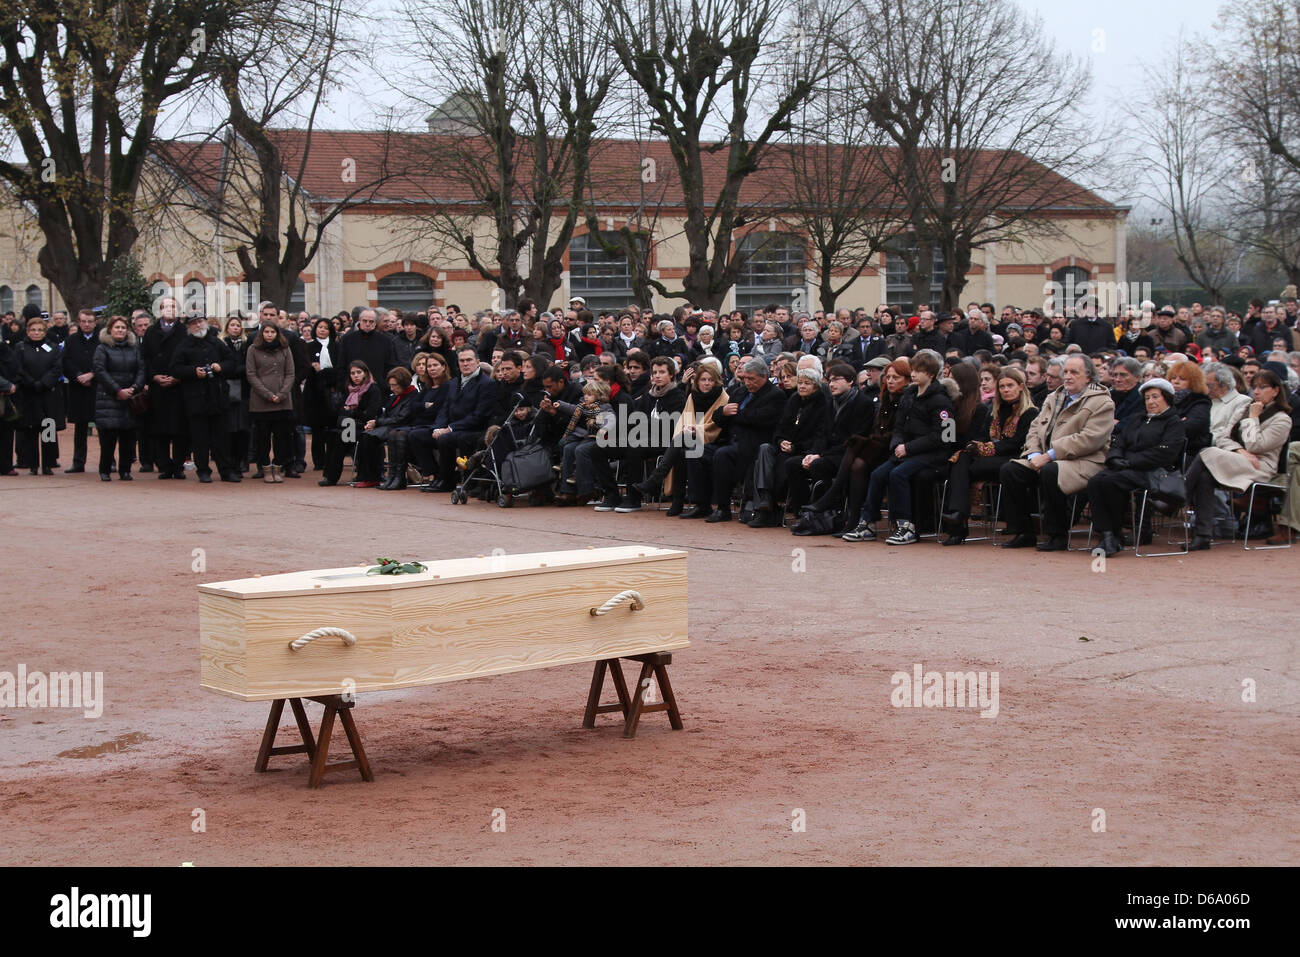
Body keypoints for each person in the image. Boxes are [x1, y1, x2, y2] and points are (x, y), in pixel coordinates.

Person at [999, 354, 1116, 551]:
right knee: (1010, 470)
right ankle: (1024, 531)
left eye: (1074, 372)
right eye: (1066, 372)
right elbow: (1035, 428)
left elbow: (1089, 439)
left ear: (1088, 376)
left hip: (1085, 461)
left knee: (1051, 472)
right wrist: (1034, 454)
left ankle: (1057, 535)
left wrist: (1050, 455)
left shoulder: (1102, 402)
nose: (1068, 376)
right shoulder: (1054, 397)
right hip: (1045, 457)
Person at [841, 349, 955, 544]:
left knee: (898, 474)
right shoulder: (908, 396)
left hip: (932, 455)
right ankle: (867, 522)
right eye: (914, 370)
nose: (914, 374)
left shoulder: (942, 401)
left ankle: (905, 525)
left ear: (930, 374)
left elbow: (946, 436)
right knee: (878, 474)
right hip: (907, 451)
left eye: (919, 371)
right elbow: (899, 427)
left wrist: (908, 448)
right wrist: (897, 444)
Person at [1186, 369, 1292, 550]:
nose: (1256, 392)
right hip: (1238, 459)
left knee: (1207, 451)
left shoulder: (1282, 419)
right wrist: (1240, 450)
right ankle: (1203, 536)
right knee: (1204, 477)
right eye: (1254, 387)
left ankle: (1180, 494)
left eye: (1262, 387)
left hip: (1261, 467)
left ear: (1275, 390)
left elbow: (1256, 446)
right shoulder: (1246, 408)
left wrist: (1253, 418)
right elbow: (1223, 438)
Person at [1086, 378, 1187, 557]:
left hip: (1153, 472)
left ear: (1167, 398)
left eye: (1155, 397)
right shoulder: (1137, 418)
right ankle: (1109, 535)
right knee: (1095, 481)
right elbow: (1118, 441)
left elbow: (1164, 453)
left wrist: (1131, 462)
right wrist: (1115, 458)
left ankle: (1112, 535)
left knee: (1111, 482)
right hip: (1126, 469)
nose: (1151, 402)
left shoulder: (1174, 422)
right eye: (1147, 398)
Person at [939, 366, 1038, 545]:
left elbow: (1016, 443)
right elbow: (982, 435)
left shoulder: (1030, 413)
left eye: (1010, 385)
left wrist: (985, 448)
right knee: (961, 457)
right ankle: (957, 519)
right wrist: (974, 445)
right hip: (991, 457)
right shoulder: (994, 410)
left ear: (1021, 387)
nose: (1006, 390)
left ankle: (958, 519)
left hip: (1015, 458)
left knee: (966, 464)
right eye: (1002, 387)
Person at [684, 356, 785, 522]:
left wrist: (734, 414)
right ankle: (701, 504)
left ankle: (723, 508)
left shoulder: (775, 395)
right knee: (695, 451)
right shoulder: (740, 391)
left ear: (764, 377)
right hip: (731, 440)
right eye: (745, 378)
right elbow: (718, 416)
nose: (747, 382)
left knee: (722, 456)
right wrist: (724, 412)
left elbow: (759, 418)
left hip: (754, 445)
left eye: (751, 379)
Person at [748, 366, 831, 527]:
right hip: (785, 447)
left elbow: (819, 435)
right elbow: (780, 427)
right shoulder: (794, 400)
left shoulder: (823, 404)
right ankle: (765, 500)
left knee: (784, 464)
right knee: (765, 448)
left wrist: (795, 447)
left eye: (807, 383)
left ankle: (770, 508)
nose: (802, 386)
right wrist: (780, 441)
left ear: (815, 386)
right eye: (800, 382)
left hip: (804, 450)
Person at [172, 313, 240, 483]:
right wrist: (193, 372)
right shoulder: (183, 346)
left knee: (222, 437)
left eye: (200, 322)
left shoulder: (216, 342)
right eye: (194, 323)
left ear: (206, 323)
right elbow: (175, 368)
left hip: (217, 396)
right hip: (195, 398)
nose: (198, 325)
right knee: (199, 438)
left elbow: (232, 362)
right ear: (188, 327)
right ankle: (203, 470)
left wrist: (220, 367)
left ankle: (226, 470)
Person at [425, 346, 499, 491]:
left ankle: (454, 481)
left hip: (475, 428)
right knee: (419, 435)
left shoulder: (486, 384)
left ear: (477, 362)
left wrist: (449, 429)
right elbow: (444, 409)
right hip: (454, 427)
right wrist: (437, 428)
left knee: (446, 439)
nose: (465, 364)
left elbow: (480, 415)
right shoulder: (453, 383)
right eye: (462, 361)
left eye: (469, 360)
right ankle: (437, 477)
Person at [91, 315, 145, 481]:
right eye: (117, 327)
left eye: (123, 327)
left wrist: (134, 388)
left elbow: (141, 370)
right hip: (108, 399)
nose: (120, 330)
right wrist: (117, 390)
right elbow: (100, 371)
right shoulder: (102, 348)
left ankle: (125, 470)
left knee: (128, 439)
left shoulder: (134, 348)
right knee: (108, 439)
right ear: (110, 330)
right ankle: (105, 470)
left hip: (130, 398)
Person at [141, 298, 189, 479]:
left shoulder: (185, 331)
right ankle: (164, 465)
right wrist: (153, 376)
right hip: (157, 387)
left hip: (178, 386)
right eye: (165, 307)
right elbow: (144, 358)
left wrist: (178, 376)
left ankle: (178, 466)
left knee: (179, 430)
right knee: (158, 429)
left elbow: (190, 357)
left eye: (172, 307)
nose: (168, 310)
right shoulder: (151, 332)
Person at [13, 314, 65, 474]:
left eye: (40, 330)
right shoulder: (20, 347)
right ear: (28, 331)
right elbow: (18, 368)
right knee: (30, 432)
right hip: (28, 395)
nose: (36, 333)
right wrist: (31, 383)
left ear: (45, 331)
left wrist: (44, 383)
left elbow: (57, 368)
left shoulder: (53, 347)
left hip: (47, 395)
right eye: (33, 330)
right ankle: (33, 465)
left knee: (48, 431)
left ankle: (48, 464)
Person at [246, 322, 297, 483]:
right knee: (262, 437)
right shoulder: (253, 350)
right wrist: (267, 394)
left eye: (272, 332)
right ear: (262, 334)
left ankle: (278, 466)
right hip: (261, 401)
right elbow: (251, 374)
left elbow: (290, 373)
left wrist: (282, 394)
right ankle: (265, 467)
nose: (269, 334)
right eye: (266, 332)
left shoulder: (285, 348)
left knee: (282, 437)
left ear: (277, 333)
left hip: (282, 400)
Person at [353, 366, 419, 488]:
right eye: (391, 385)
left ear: (403, 383)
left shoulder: (412, 396)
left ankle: (378, 476)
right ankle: (370, 476)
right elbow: (386, 413)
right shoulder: (395, 396)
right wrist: (375, 422)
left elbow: (401, 418)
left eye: (395, 385)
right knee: (365, 435)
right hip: (390, 425)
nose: (392, 388)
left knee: (370, 437)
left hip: (401, 426)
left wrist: (377, 422)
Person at [319, 361, 382, 486]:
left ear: (365, 373)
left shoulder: (373, 389)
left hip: (366, 426)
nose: (356, 376)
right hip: (349, 424)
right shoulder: (348, 389)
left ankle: (332, 477)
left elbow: (369, 414)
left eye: (359, 372)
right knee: (333, 435)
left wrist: (352, 412)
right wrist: (351, 413)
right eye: (352, 373)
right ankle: (328, 475)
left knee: (340, 438)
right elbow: (340, 410)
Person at [61, 309, 100, 472]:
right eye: (83, 321)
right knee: (80, 428)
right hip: (78, 388)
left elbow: (106, 361)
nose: (86, 324)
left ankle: (108, 460)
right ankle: (78, 462)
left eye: (90, 321)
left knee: (104, 427)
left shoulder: (102, 340)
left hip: (98, 387)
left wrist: (92, 374)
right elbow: (66, 361)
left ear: (95, 322)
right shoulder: (71, 340)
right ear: (78, 322)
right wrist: (78, 375)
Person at [304, 317, 340, 471]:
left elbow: (338, 369)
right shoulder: (309, 347)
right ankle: (319, 462)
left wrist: (322, 372)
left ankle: (333, 459)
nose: (322, 330)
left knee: (333, 429)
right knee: (317, 430)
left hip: (333, 392)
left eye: (326, 328)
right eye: (320, 327)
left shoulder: (337, 347)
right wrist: (317, 371)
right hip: (315, 394)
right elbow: (307, 369)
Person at [220, 317, 252, 473]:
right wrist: (235, 369)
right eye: (232, 325)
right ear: (227, 327)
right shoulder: (222, 343)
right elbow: (224, 365)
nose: (235, 328)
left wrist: (238, 369)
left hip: (245, 390)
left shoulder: (246, 345)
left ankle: (243, 459)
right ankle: (231, 460)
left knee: (244, 428)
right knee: (230, 428)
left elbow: (249, 365)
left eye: (238, 325)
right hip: (227, 389)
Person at [1167, 360, 1212, 456]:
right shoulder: (1165, 399)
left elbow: (1189, 428)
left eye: (1182, 379)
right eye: (1173, 378)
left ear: (1193, 382)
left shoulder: (1200, 401)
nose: (1176, 381)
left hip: (1189, 453)